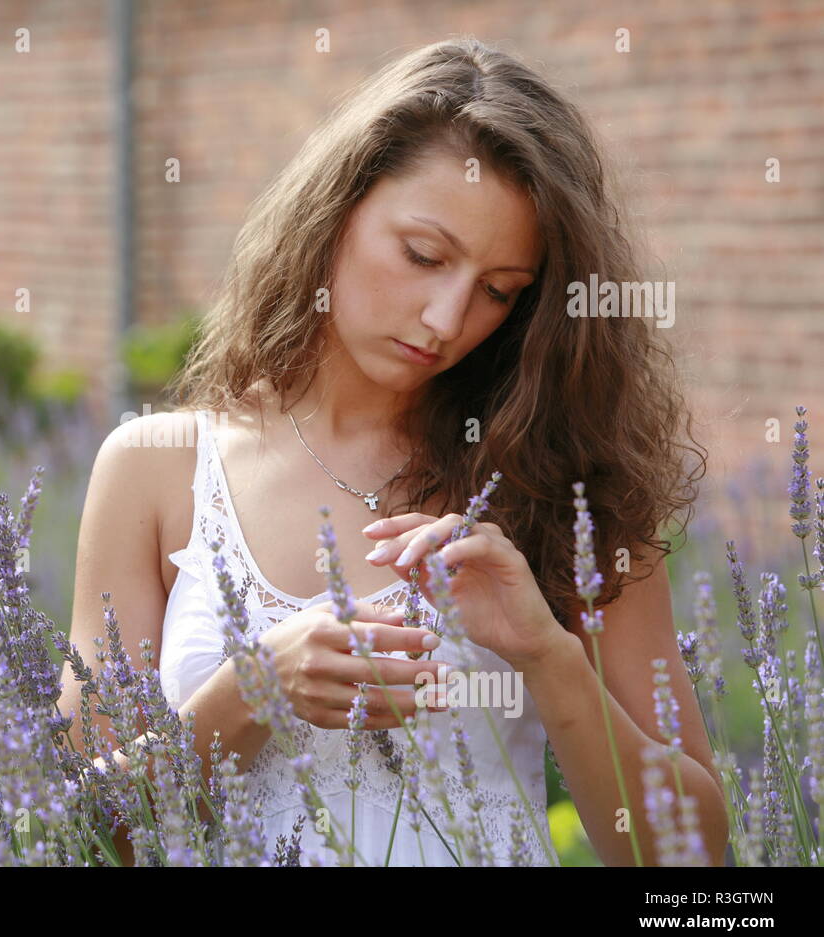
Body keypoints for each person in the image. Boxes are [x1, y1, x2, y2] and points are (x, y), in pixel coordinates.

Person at [62, 36, 724, 866]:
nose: (447, 320)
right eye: (423, 256)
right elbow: (88, 832)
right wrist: (253, 689)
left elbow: (693, 860)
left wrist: (548, 661)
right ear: (336, 212)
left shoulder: (567, 483)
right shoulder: (154, 466)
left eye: (497, 292)